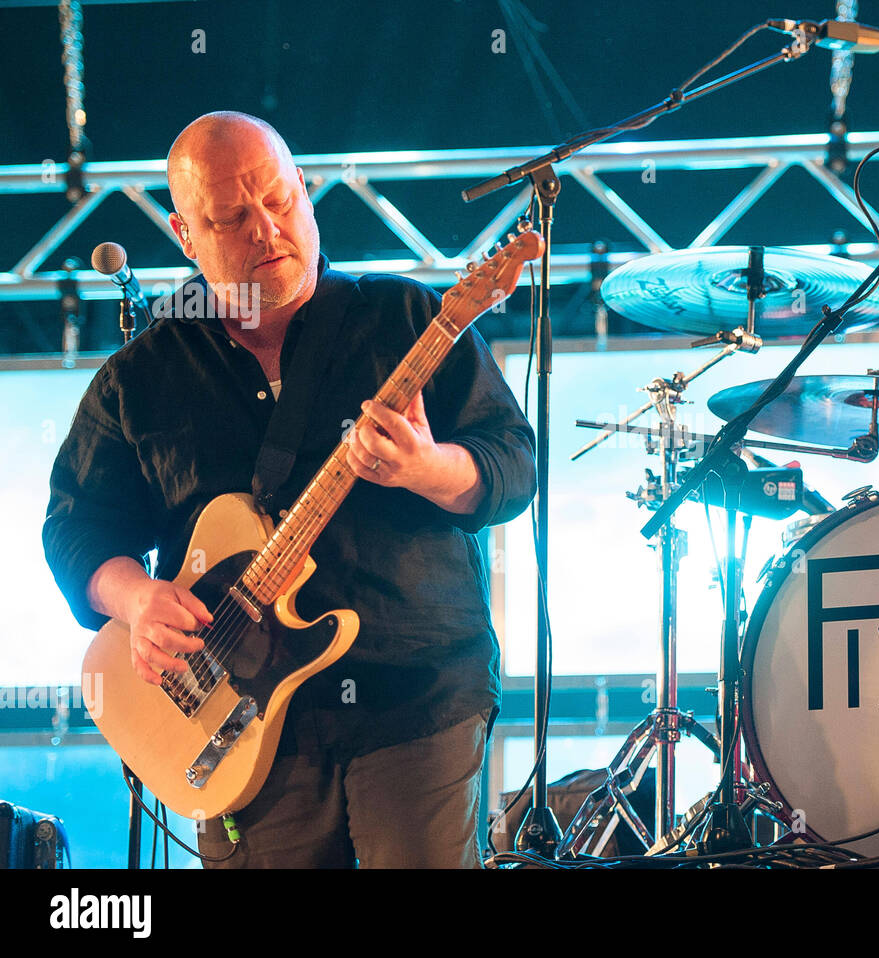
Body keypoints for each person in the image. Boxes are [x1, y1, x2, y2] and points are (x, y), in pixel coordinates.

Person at [42, 112, 536, 868]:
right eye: (232, 217)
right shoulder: (141, 377)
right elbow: (77, 527)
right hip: (230, 725)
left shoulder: (405, 318)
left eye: (278, 201)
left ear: (305, 191)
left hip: (413, 694)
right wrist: (136, 600)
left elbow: (511, 465)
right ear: (185, 233)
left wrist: (426, 468)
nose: (266, 230)